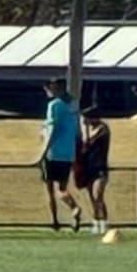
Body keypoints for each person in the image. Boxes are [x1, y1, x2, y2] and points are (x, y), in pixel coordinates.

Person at [36, 77, 84, 232]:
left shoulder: (54, 105)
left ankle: (55, 221)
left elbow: (53, 129)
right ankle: (73, 208)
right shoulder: (70, 107)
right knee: (62, 187)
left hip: (53, 153)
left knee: (51, 189)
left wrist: (44, 151)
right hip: (67, 153)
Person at [77, 106, 112, 236]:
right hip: (88, 167)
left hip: (100, 167)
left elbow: (88, 140)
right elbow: (83, 146)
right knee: (92, 197)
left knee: (98, 195)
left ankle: (104, 221)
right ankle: (96, 221)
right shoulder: (86, 130)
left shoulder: (103, 128)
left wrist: (84, 127)